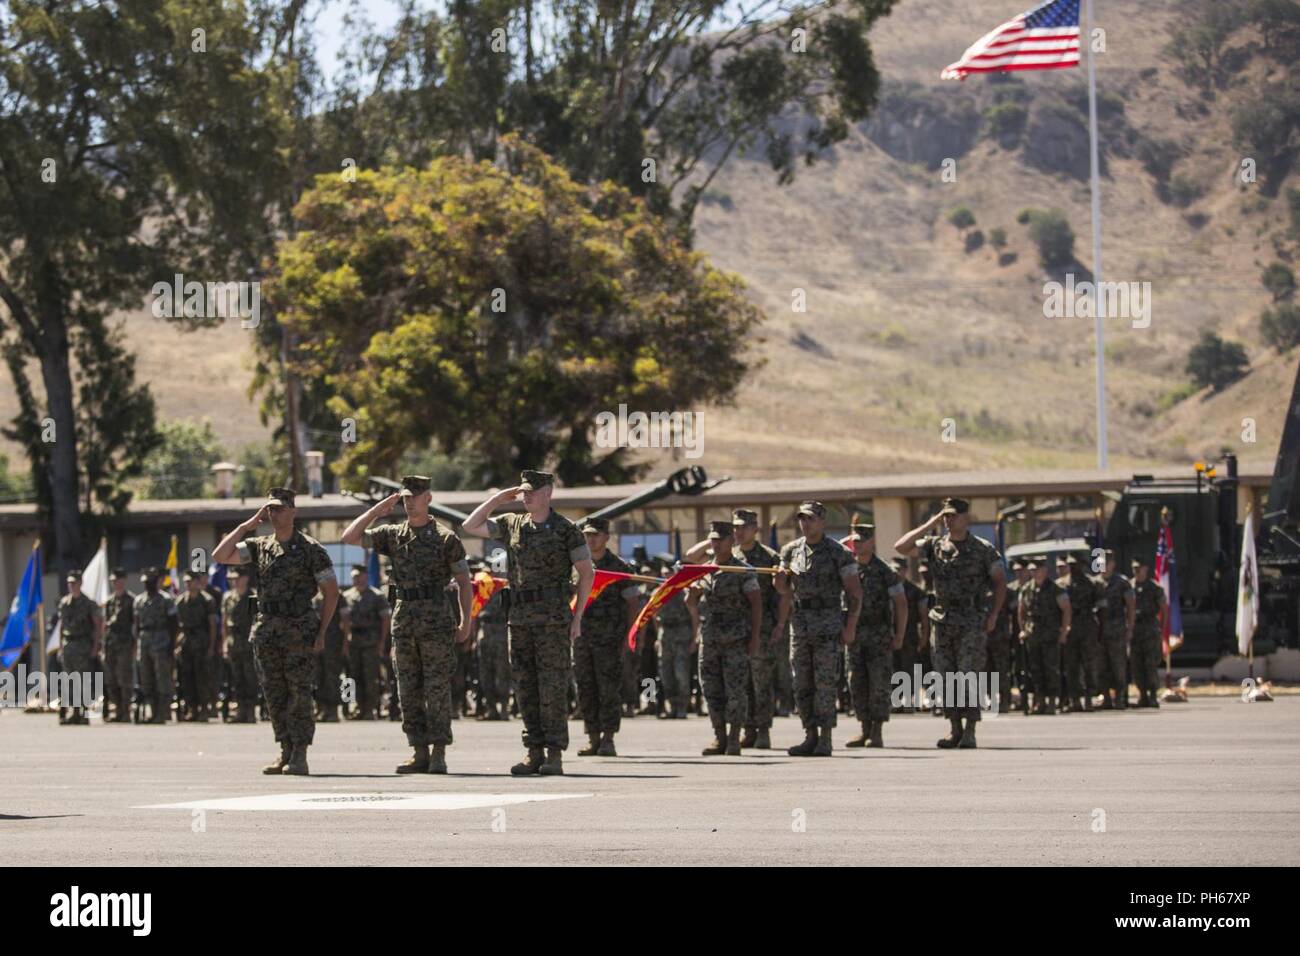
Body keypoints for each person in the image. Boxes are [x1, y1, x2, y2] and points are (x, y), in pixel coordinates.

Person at [463, 470, 594, 776]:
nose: (526, 496)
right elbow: (469, 525)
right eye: (523, 491)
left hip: (552, 619)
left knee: (553, 686)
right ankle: (533, 751)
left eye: (532, 491)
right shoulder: (512, 524)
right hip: (519, 619)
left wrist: (577, 617)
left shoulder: (566, 530)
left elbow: (587, 573)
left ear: (549, 492)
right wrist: (497, 499)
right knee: (525, 686)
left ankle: (554, 752)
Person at [342, 475, 472, 774]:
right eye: (404, 496)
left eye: (414, 495)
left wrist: (465, 621)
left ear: (428, 497)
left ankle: (439, 750)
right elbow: (350, 537)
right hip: (404, 618)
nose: (408, 500)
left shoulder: (445, 538)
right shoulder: (393, 534)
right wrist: (376, 510)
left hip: (437, 619)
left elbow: (465, 583)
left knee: (436, 687)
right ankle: (419, 750)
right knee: (407, 687)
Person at [213, 487, 339, 776]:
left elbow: (331, 593)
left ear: (293, 511)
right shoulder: (259, 546)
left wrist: (321, 631)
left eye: (280, 508)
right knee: (273, 692)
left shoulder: (311, 549)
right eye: (270, 508)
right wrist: (246, 526)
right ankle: (284, 748)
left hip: (299, 629)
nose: (274, 513)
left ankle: (300, 752)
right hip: (267, 629)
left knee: (299, 692)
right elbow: (221, 555)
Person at [895, 497, 1005, 749]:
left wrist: (994, 614)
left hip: (971, 620)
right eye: (945, 515)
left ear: (966, 518)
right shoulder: (935, 545)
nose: (948, 519)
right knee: (945, 676)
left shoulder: (983, 549)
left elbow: (1000, 582)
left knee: (968, 674)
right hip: (942, 619)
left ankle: (970, 730)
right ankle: (954, 727)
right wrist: (931, 522)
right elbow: (901, 546)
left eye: (953, 515)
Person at [774, 501, 862, 757]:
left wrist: (850, 627)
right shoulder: (790, 551)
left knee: (824, 683)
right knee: (802, 682)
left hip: (828, 624)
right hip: (801, 624)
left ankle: (825, 737)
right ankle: (809, 735)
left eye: (811, 519)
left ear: (822, 522)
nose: (805, 523)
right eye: (802, 518)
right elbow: (785, 591)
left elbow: (855, 593)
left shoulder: (838, 552)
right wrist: (779, 582)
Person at [686, 521, 762, 755]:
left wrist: (754, 638)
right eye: (713, 539)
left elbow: (756, 605)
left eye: (721, 539)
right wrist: (691, 598)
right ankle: (719, 736)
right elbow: (692, 604)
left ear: (732, 541)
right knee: (711, 690)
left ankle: (733, 738)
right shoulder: (705, 570)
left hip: (734, 640)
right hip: (709, 640)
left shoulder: (742, 570)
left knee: (735, 690)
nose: (716, 544)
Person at [571, 516, 640, 757]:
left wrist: (629, 636)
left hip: (610, 640)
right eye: (587, 535)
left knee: (609, 690)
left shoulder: (619, 567)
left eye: (595, 535)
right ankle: (592, 737)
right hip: (582, 638)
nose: (591, 539)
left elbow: (633, 604)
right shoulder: (577, 566)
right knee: (586, 688)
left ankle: (608, 738)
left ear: (606, 537)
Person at [841, 523, 906, 748]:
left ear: (872, 542)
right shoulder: (848, 569)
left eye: (862, 540)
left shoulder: (885, 571)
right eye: (855, 540)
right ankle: (864, 728)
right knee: (856, 682)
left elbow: (901, 604)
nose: (857, 544)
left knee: (878, 683)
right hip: (854, 634)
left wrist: (899, 634)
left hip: (878, 635)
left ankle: (877, 730)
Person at [733, 509, 780, 748]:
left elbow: (782, 595)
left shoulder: (770, 557)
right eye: (736, 527)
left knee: (761, 683)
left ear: (756, 529)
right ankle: (748, 729)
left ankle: (763, 730)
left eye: (743, 527)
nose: (738, 532)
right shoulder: (730, 557)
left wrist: (780, 624)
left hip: (762, 628)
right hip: (735, 631)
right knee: (741, 683)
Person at [1019, 559, 1070, 715]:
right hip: (1033, 636)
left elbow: (1066, 610)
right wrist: (1022, 630)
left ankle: (1053, 702)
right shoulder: (1027, 589)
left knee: (1051, 669)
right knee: (1035, 670)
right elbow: (1021, 612)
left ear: (1045, 570)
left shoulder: (1056, 589)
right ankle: (1039, 701)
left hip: (1050, 636)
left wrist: (1063, 632)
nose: (1034, 572)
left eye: (1037, 569)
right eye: (1032, 570)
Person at [342, 564, 390, 720]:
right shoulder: (347, 596)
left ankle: (370, 709)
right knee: (351, 677)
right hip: (353, 641)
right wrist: (345, 641)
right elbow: (344, 621)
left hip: (370, 642)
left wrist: (382, 642)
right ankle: (354, 707)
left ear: (366, 576)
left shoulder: (376, 596)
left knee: (370, 677)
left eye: (360, 576)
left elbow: (385, 620)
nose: (357, 579)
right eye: (354, 576)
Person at [57, 570, 103, 725]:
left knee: (83, 680)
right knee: (70, 681)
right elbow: (62, 626)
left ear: (80, 584)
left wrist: (95, 647)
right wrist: (60, 647)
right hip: (69, 645)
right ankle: (74, 712)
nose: (71, 586)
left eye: (74, 583)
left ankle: (84, 712)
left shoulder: (89, 604)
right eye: (69, 583)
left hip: (83, 645)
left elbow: (98, 626)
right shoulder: (64, 603)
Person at [134, 567, 178, 724]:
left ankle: (163, 713)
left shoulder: (166, 599)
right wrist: (136, 646)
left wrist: (171, 647)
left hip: (161, 642)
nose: (148, 585)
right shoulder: (139, 600)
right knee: (146, 679)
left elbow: (174, 624)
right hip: (144, 642)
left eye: (150, 582)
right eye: (146, 583)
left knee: (162, 679)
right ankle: (152, 712)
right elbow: (137, 625)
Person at [1061, 555, 1103, 712]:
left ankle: (1089, 699)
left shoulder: (1093, 584)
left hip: (1087, 629)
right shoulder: (1062, 584)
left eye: (1076, 564)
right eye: (1070, 565)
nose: (1073, 568)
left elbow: (1101, 608)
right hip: (1070, 629)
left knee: (1089, 665)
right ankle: (1075, 700)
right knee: (1071, 666)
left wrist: (1101, 630)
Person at [175, 572, 217, 723]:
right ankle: (192, 709)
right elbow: (179, 627)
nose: (187, 584)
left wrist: (212, 646)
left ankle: (204, 709)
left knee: (202, 677)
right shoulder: (180, 601)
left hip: (201, 642)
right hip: (187, 643)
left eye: (190, 581)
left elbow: (212, 625)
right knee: (187, 678)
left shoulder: (207, 600)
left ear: (197, 582)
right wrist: (177, 645)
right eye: (185, 582)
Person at [1097, 550, 1135, 709]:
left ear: (1113, 564)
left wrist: (1130, 627)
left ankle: (1120, 697)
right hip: (1099, 632)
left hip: (1117, 630)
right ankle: (1106, 697)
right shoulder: (1095, 583)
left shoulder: (1122, 582)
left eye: (1107, 562)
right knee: (1102, 665)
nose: (1104, 566)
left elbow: (1131, 605)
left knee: (1118, 665)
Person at [221, 566, 259, 723]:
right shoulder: (228, 597)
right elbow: (224, 622)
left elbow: (256, 621)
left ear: (245, 578)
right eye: (232, 579)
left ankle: (250, 711)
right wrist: (224, 643)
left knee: (250, 677)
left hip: (248, 640)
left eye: (237, 578)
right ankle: (240, 710)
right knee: (236, 678)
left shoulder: (252, 597)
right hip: (233, 641)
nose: (234, 581)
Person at [1130, 557, 1166, 708]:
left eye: (1140, 568)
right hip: (1134, 629)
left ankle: (1152, 695)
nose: (1137, 571)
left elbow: (1164, 608)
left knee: (1150, 664)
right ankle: (1142, 695)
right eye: (1135, 568)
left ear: (1146, 569)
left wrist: (1161, 628)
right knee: (1136, 665)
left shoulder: (1154, 587)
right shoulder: (1128, 586)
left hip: (1150, 629)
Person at [655, 588, 696, 719]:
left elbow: (694, 615)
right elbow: (654, 615)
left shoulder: (685, 593)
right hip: (665, 636)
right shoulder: (659, 592)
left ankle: (682, 706)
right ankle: (672, 706)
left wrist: (694, 639)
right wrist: (658, 637)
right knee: (666, 674)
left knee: (681, 673)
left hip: (682, 636)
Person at [102, 568, 135, 723]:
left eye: (119, 580)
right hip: (111, 644)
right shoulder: (109, 601)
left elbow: (136, 625)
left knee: (125, 679)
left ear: (124, 581)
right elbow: (105, 625)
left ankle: (126, 711)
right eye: (114, 581)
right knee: (111, 679)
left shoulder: (131, 600)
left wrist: (135, 646)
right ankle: (118, 709)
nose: (116, 584)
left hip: (125, 644)